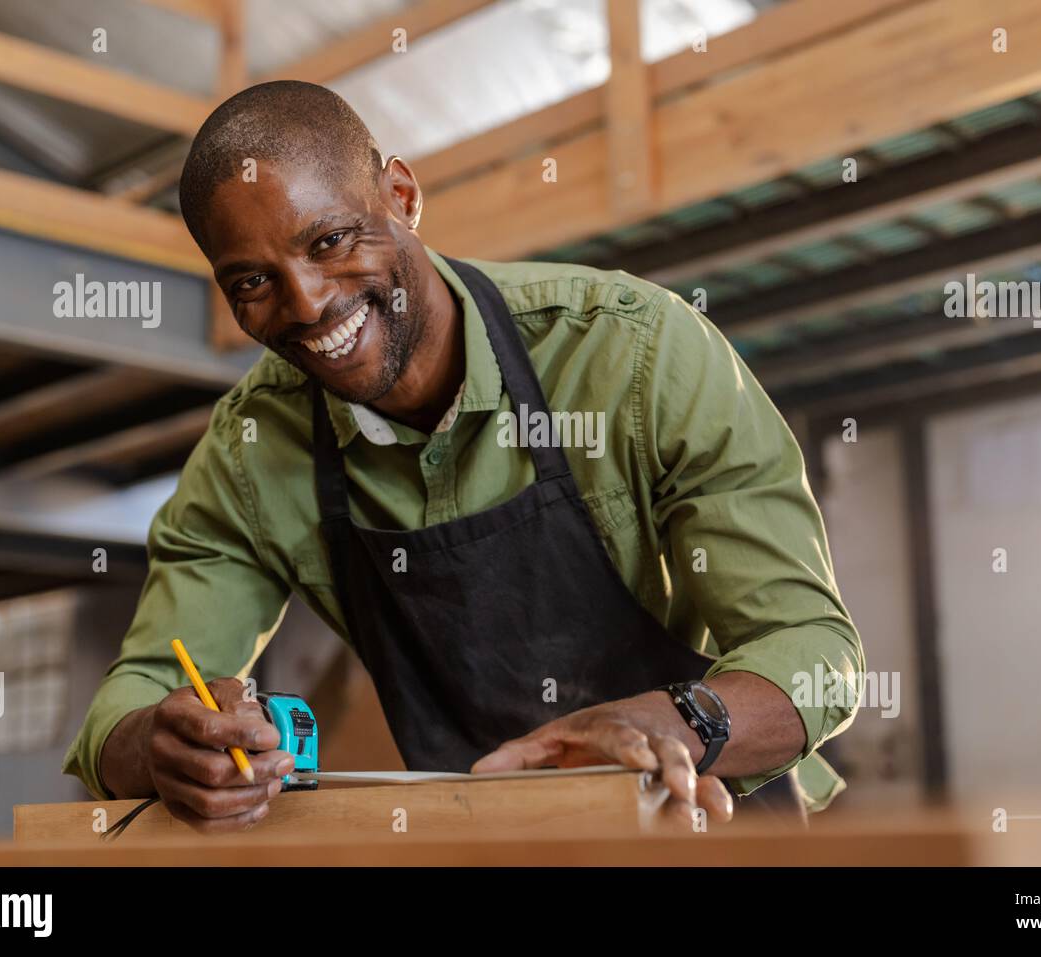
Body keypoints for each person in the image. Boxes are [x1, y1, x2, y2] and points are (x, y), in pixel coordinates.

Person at [64, 81, 863, 832]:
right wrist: (156, 745)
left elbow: (818, 654)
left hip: (714, 828)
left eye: (331, 239)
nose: (306, 305)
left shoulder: (634, 354)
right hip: (481, 840)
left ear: (402, 198)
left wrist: (670, 722)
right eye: (252, 281)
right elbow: (131, 700)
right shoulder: (251, 454)